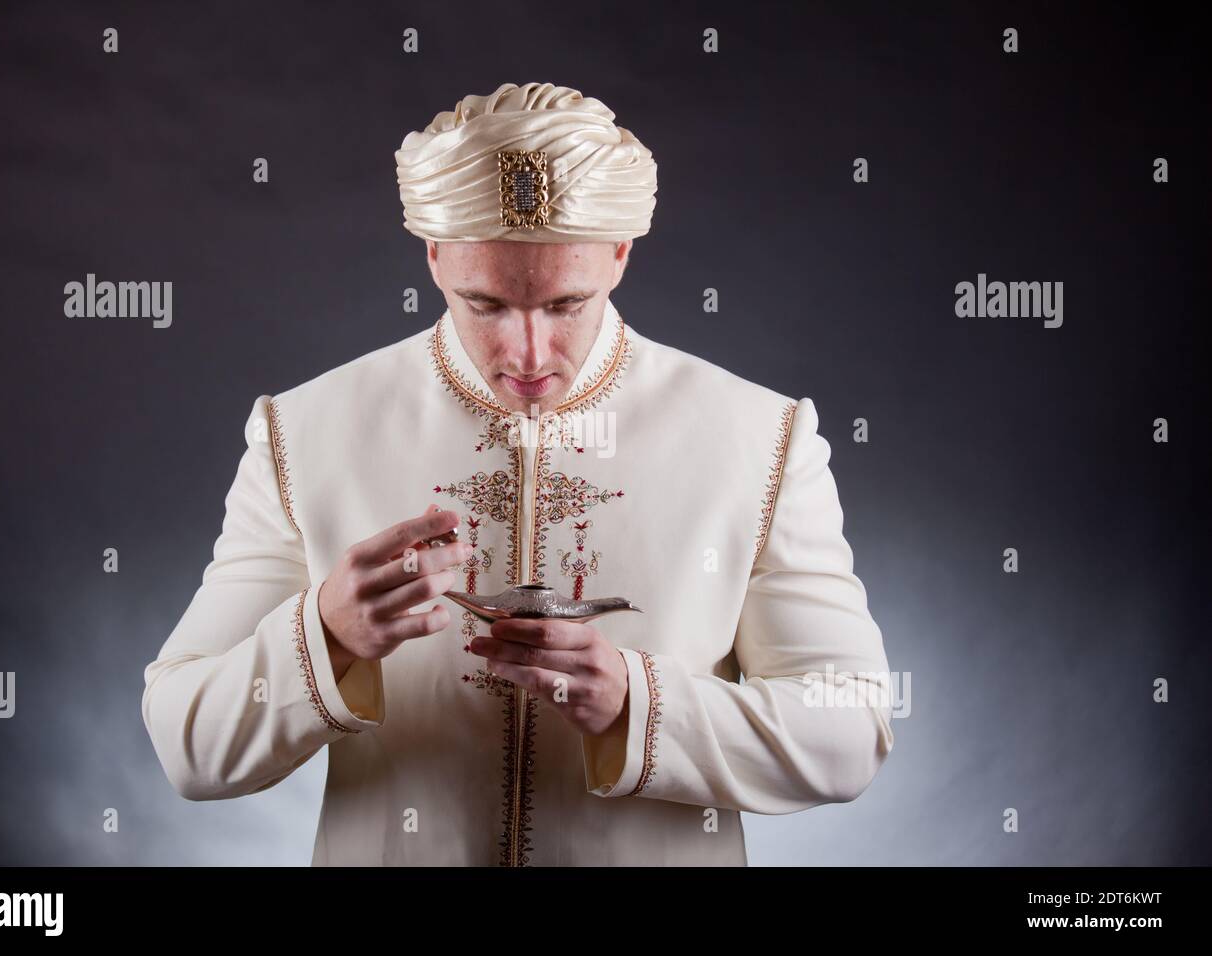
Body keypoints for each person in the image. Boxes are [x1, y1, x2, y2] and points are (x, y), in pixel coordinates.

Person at [141, 81, 894, 866]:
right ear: (433, 257)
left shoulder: (762, 437)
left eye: (567, 303)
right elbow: (187, 743)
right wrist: (324, 634)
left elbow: (849, 729)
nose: (528, 357)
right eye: (487, 303)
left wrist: (639, 705)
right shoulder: (301, 432)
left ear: (620, 255)